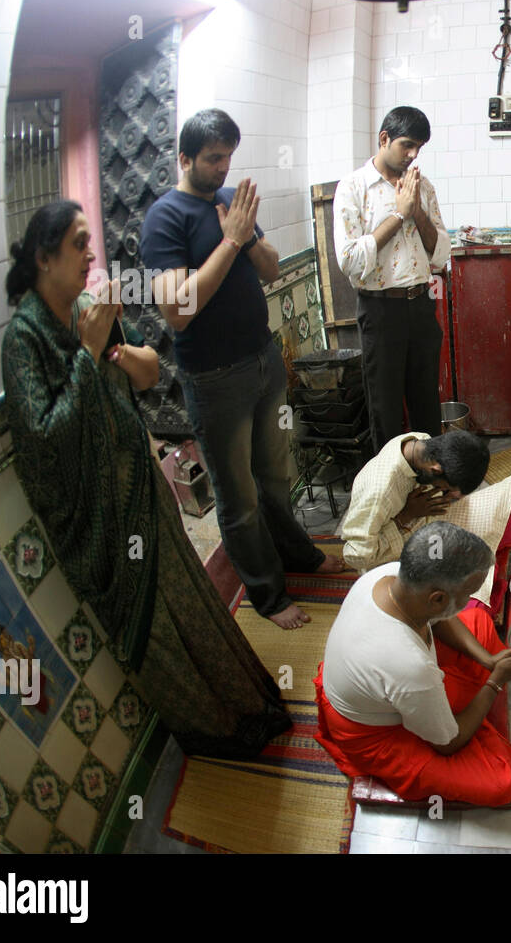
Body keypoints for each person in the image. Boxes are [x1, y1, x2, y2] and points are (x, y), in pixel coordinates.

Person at [2, 200, 290, 758]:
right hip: (102, 518)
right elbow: (48, 438)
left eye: (90, 241)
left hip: (140, 486)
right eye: (78, 244)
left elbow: (148, 371)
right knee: (156, 626)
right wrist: (89, 352)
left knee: (190, 599)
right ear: (43, 259)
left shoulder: (89, 306)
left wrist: (115, 347)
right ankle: (212, 730)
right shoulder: (24, 340)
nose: (91, 253)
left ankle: (246, 703)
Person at [141, 108, 343, 633]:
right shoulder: (165, 218)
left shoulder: (230, 201)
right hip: (214, 380)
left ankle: (296, 554)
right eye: (212, 159)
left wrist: (245, 234)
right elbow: (178, 311)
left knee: (277, 476)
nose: (223, 169)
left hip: (263, 361)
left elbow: (273, 268)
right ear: (184, 159)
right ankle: (268, 595)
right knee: (240, 498)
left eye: (229, 157)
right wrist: (229, 241)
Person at [314, 523, 511, 806]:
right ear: (437, 598)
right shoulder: (409, 665)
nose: (470, 600)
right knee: (501, 783)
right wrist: (495, 680)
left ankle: (458, 698)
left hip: (385, 677)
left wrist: (487, 660)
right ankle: (457, 707)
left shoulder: (387, 576)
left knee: (478, 622)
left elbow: (440, 618)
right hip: (373, 733)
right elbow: (448, 744)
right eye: (467, 594)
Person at [334, 106, 451, 454]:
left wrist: (415, 209)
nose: (413, 155)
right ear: (384, 138)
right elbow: (351, 262)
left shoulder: (422, 187)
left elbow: (441, 254)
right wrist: (399, 213)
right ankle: (391, 493)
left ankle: (430, 484)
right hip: (380, 311)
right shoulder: (353, 188)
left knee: (426, 404)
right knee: (384, 409)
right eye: (407, 145)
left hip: (420, 306)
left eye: (419, 147)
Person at [340, 430, 511, 615]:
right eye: (447, 488)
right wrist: (406, 516)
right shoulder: (379, 491)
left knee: (510, 496)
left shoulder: (422, 443)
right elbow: (356, 555)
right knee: (473, 608)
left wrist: (446, 495)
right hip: (401, 551)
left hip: (429, 522)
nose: (449, 494)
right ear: (435, 470)